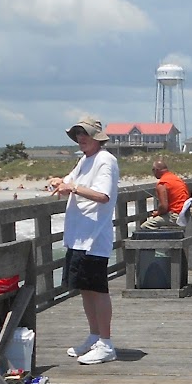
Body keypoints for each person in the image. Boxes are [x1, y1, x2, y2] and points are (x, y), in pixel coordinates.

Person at [48, 115, 120, 365]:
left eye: (85, 134)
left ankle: (107, 343)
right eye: (78, 134)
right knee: (85, 289)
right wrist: (59, 182)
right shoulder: (84, 160)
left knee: (98, 289)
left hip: (94, 237)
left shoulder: (105, 160)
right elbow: (69, 182)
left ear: (97, 137)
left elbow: (103, 195)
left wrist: (73, 188)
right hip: (77, 237)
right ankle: (94, 336)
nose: (81, 138)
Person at [149, 158, 190, 225]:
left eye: (153, 170)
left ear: (156, 170)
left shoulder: (162, 183)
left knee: (145, 226)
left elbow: (163, 207)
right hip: (185, 214)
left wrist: (157, 213)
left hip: (175, 216)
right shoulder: (177, 179)